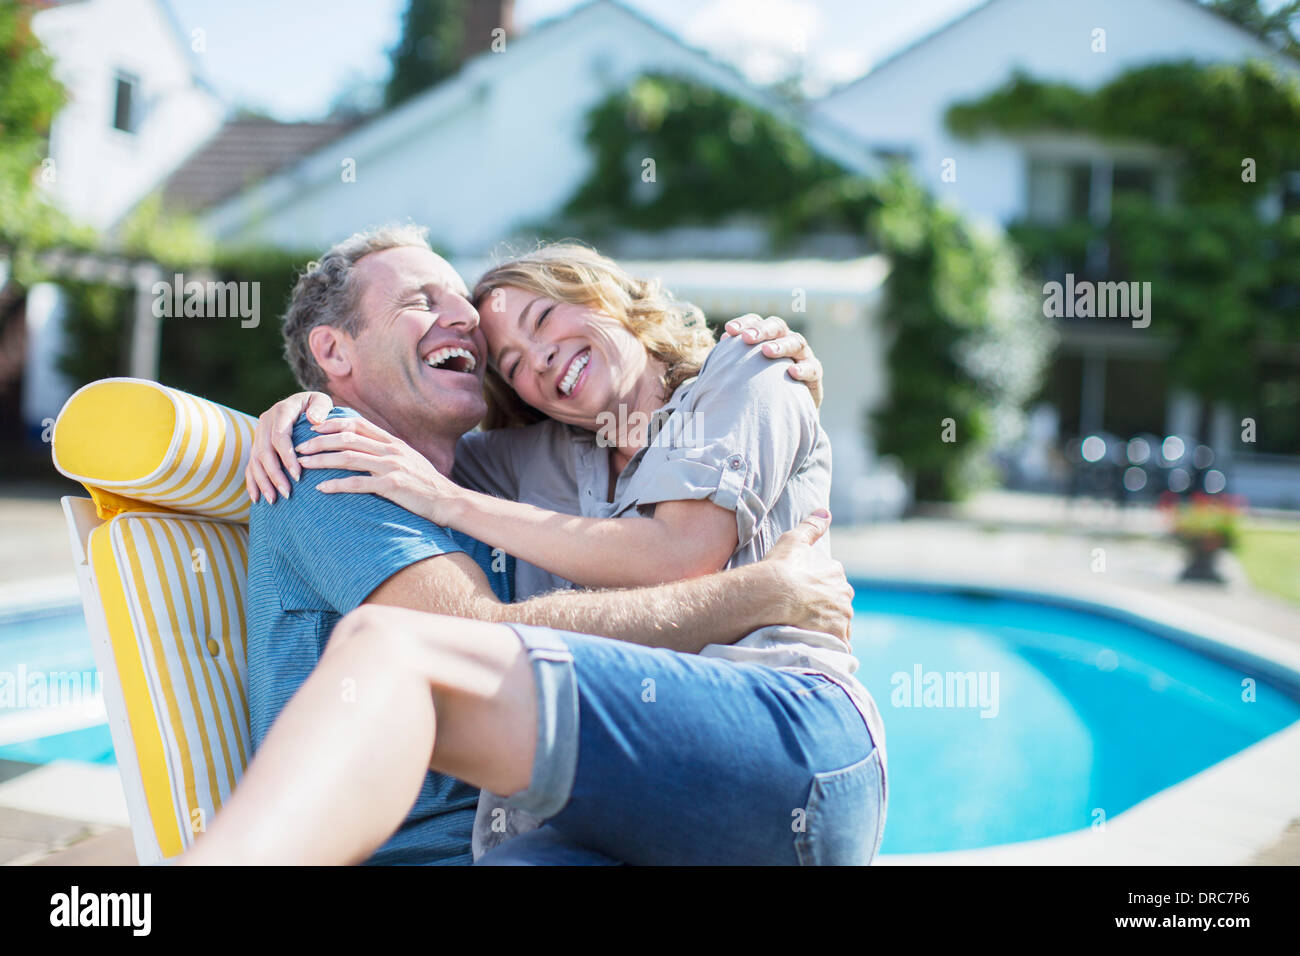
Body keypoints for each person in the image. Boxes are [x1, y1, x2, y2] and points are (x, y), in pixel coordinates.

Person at [193, 226, 880, 865]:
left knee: (387, 642)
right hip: (586, 813)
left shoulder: (740, 374)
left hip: (780, 726)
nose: (464, 321)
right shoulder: (492, 459)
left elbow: (670, 556)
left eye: (543, 317)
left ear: (609, 296)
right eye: (512, 360)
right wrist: (299, 410)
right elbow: (479, 627)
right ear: (334, 350)